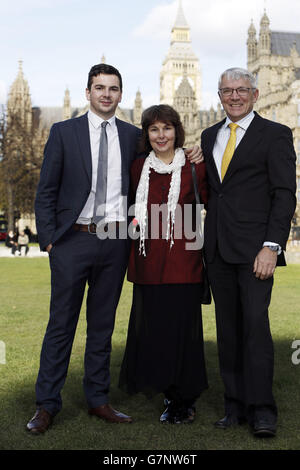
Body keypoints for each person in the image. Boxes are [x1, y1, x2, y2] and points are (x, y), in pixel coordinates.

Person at [26, 63, 202, 434]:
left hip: (115, 241)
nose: (106, 94)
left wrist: (195, 153)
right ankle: (46, 404)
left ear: (121, 95)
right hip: (73, 239)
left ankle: (97, 399)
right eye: (99, 87)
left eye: (113, 88)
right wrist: (50, 239)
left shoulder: (130, 135)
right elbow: (46, 191)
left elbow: (163, 157)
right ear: (88, 92)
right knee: (61, 324)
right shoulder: (63, 131)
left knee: (102, 326)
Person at [201, 67, 296, 437]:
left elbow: (284, 194)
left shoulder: (275, 134)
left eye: (242, 90)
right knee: (228, 332)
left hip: (257, 251)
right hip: (219, 251)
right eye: (227, 91)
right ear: (220, 96)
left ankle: (262, 410)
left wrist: (272, 246)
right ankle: (234, 406)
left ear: (255, 94)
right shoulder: (210, 136)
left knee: (255, 330)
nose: (235, 96)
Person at [119, 104, 208, 424]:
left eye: (167, 128)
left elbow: (213, 202)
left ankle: (185, 398)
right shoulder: (138, 167)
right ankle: (167, 392)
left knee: (183, 332)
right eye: (154, 129)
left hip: (185, 264)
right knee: (155, 331)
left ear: (177, 131)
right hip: (148, 263)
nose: (161, 135)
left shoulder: (196, 166)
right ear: (147, 134)